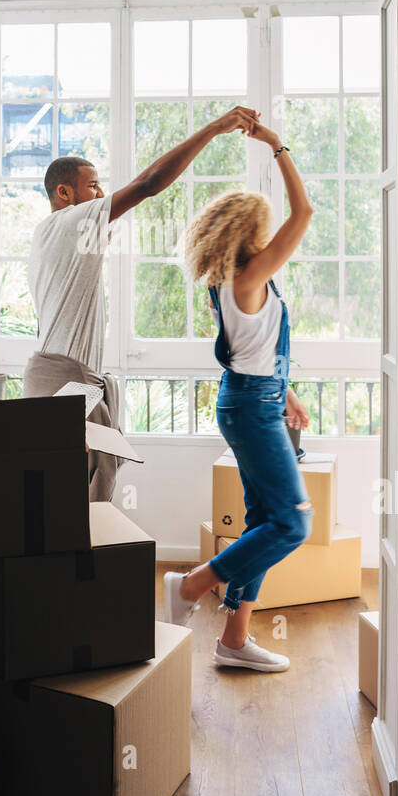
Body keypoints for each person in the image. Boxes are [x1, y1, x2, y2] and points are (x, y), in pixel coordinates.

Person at [23, 106, 261, 500]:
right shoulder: (71, 222)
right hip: (62, 388)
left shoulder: (48, 234)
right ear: (64, 193)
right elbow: (149, 183)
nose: (101, 195)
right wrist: (215, 127)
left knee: (70, 502)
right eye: (94, 186)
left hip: (63, 384)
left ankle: (81, 560)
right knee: (70, 505)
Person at [163, 118, 315, 671]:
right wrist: (277, 144)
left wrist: (286, 391)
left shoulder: (235, 280)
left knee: (263, 521)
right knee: (293, 523)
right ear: (251, 230)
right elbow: (306, 213)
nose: (278, 232)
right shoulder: (249, 275)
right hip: (250, 406)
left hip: (254, 398)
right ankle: (189, 586)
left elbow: (253, 344)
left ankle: (233, 640)